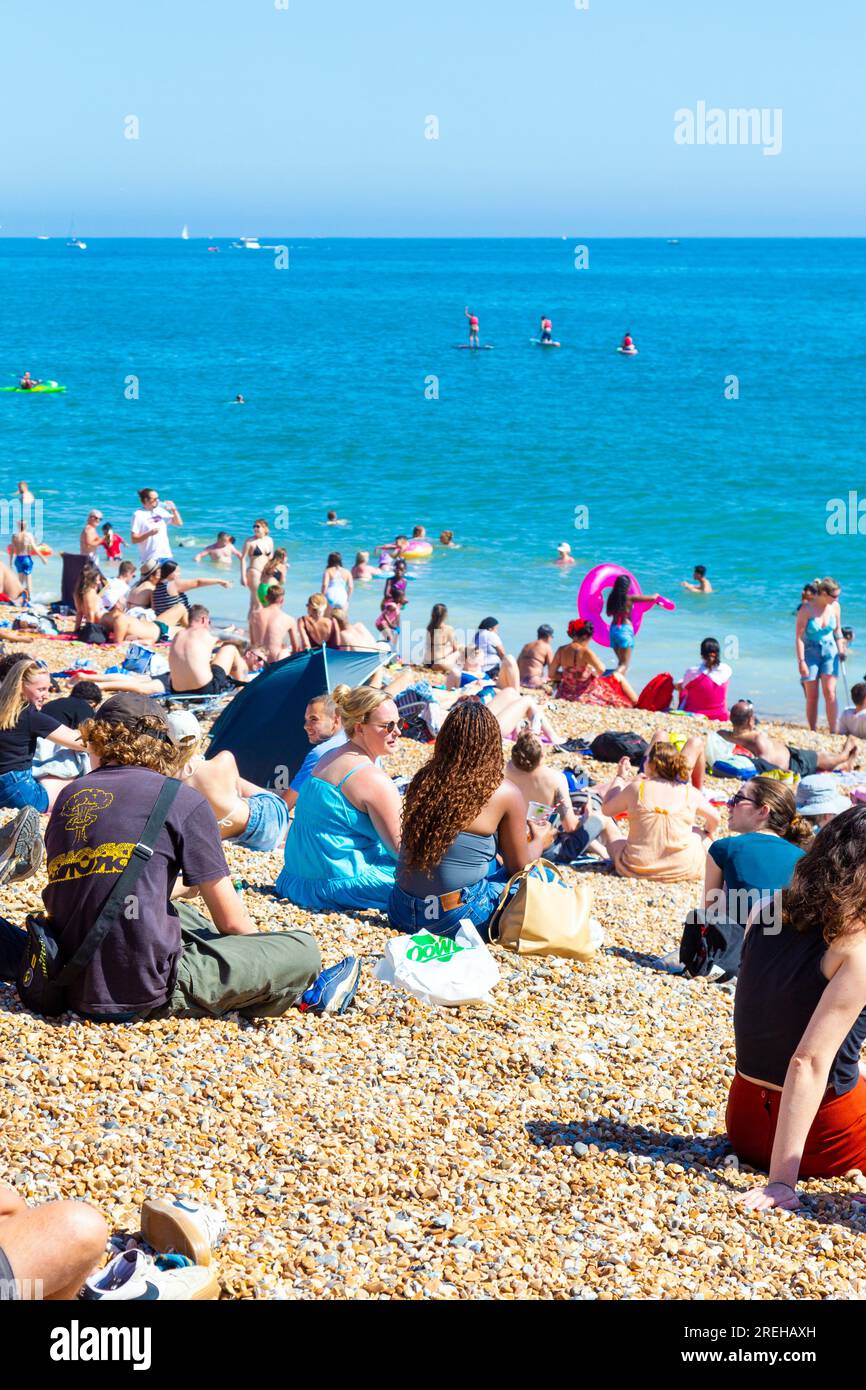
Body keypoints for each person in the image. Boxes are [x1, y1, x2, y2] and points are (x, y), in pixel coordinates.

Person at [0, 693, 341, 1023]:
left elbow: (95, 884)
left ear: (97, 740)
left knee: (183, 913)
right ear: (163, 745)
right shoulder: (182, 800)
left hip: (69, 978)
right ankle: (291, 993)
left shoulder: (68, 797)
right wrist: (264, 955)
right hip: (143, 991)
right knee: (301, 948)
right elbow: (233, 923)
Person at [730, 807, 866, 1206]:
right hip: (820, 1139)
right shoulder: (856, 950)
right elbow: (806, 1061)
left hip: (745, 1122)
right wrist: (781, 1183)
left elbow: (774, 1014)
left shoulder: (765, 909)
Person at [388, 701, 555, 938]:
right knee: (541, 876)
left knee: (489, 867)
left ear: (445, 741)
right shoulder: (503, 792)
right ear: (492, 746)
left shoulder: (423, 780)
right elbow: (519, 868)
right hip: (452, 919)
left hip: (401, 911)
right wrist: (541, 841)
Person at [275, 686, 401, 910]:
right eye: (388, 726)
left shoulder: (326, 757)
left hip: (296, 881)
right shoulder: (372, 778)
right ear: (360, 728)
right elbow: (402, 853)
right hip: (342, 887)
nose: (397, 732)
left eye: (399, 723)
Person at [701, 776, 810, 938]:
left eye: (738, 798)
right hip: (787, 956)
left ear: (763, 811)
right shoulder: (804, 858)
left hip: (738, 954)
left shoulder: (725, 848)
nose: (729, 805)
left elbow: (708, 915)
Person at [167, 710, 291, 854]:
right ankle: (288, 834)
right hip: (266, 824)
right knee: (235, 784)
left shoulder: (166, 779)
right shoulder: (223, 759)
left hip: (227, 836)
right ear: (199, 738)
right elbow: (237, 793)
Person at [597, 741, 721, 881]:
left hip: (634, 867)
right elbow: (715, 819)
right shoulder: (689, 792)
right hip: (682, 870)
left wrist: (620, 777)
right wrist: (706, 831)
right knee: (697, 833)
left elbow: (607, 810)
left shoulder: (637, 789)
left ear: (652, 764)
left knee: (613, 838)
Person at [0, 661, 83, 811]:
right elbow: (80, 743)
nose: (46, 696)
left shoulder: (6, 711)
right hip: (18, 793)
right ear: (21, 687)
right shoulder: (30, 716)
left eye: (48, 689)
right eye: (41, 689)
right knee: (74, 762)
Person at [718, 700, 857, 776]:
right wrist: (786, 774)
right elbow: (766, 764)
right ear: (750, 721)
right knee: (829, 759)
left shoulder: (723, 735)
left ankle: (845, 763)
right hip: (795, 762)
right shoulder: (756, 738)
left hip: (792, 755)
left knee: (824, 761)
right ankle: (846, 754)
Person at [74, 566, 172, 646]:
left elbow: (79, 613)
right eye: (98, 580)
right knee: (122, 641)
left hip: (113, 620)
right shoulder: (90, 592)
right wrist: (90, 629)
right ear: (91, 579)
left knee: (139, 631)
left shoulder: (78, 594)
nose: (99, 582)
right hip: (115, 620)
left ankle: (144, 639)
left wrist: (77, 630)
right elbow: (92, 613)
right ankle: (143, 641)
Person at [796, 576, 846, 732]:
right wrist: (801, 661)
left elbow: (837, 631)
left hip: (830, 651)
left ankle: (833, 730)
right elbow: (799, 637)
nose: (837, 599)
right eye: (834, 596)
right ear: (824, 593)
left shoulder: (836, 607)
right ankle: (812, 730)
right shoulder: (806, 609)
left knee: (830, 692)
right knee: (812, 696)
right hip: (810, 652)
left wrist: (841, 649)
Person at [283, 692, 348, 812]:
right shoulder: (357, 742)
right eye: (306, 720)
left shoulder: (322, 753)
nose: (306, 726)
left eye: (313, 719)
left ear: (335, 720)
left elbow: (285, 805)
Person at [505, 730, 579, 834]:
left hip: (506, 832)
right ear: (543, 755)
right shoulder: (556, 779)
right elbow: (570, 826)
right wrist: (587, 816)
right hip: (536, 837)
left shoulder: (506, 770)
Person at [550, 619, 637, 706]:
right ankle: (636, 702)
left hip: (564, 694)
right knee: (618, 676)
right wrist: (592, 675)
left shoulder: (561, 650)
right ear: (586, 637)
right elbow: (601, 669)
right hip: (583, 695)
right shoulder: (585, 651)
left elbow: (552, 674)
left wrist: (568, 675)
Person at [33, 680, 102, 784]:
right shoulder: (85, 707)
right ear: (92, 703)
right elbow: (86, 735)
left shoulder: (53, 703)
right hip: (54, 747)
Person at [152, 560, 231, 627]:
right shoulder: (173, 584)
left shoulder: (155, 587)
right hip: (180, 624)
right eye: (177, 572)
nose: (179, 574)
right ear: (169, 573)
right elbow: (198, 582)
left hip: (167, 622)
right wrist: (220, 581)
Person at [606, 575, 659, 675]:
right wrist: (657, 595)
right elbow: (652, 598)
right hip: (624, 631)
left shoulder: (611, 598)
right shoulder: (630, 598)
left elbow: (608, 613)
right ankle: (612, 678)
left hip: (613, 631)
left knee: (620, 663)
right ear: (627, 587)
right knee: (624, 665)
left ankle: (618, 687)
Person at [676, 637, 732, 720]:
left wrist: (676, 685)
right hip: (721, 716)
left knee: (683, 690)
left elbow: (682, 687)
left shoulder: (693, 671)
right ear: (718, 653)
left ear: (701, 654)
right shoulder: (727, 669)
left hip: (694, 715)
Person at [130, 489, 182, 567]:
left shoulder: (160, 511)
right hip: (150, 558)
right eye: (154, 499)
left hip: (166, 555)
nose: (157, 500)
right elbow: (134, 539)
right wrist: (149, 533)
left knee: (172, 578)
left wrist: (174, 510)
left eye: (158, 498)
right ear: (146, 500)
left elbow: (178, 523)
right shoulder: (138, 515)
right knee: (153, 579)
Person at [248, 584, 300, 662]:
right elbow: (296, 648)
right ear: (282, 600)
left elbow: (252, 643)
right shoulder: (289, 619)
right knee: (285, 650)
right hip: (275, 663)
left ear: (266, 598)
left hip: (257, 661)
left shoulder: (254, 615)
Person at [240, 519, 274, 613]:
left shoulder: (270, 540)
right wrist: (243, 576)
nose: (255, 528)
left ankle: (251, 625)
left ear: (265, 528)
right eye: (254, 526)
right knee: (258, 601)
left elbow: (271, 558)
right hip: (254, 571)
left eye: (258, 526)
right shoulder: (250, 541)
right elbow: (243, 559)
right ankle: (255, 626)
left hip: (265, 574)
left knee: (263, 600)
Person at [9, 522, 46, 603]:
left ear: (18, 526)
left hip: (18, 559)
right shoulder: (29, 535)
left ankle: (18, 598)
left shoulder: (15, 536)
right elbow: (34, 547)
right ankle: (29, 599)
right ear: (26, 526)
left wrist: (10, 561)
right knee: (28, 580)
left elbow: (11, 549)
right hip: (26, 559)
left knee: (20, 581)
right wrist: (42, 558)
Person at [424, 604, 461, 672]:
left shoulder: (429, 627)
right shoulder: (448, 629)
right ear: (445, 615)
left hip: (427, 663)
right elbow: (455, 649)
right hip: (439, 664)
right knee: (460, 650)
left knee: (447, 647)